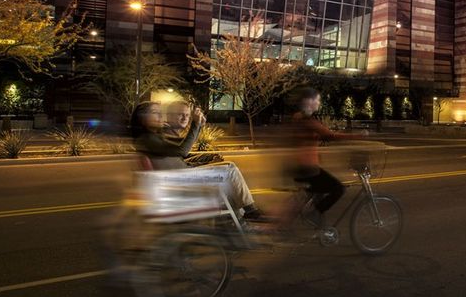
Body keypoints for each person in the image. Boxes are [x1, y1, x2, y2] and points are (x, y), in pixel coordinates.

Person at [130, 101, 266, 222]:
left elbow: (180, 151)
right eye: (155, 113)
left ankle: (231, 223)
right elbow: (182, 150)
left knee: (227, 185)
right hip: (180, 180)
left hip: (181, 177)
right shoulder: (147, 139)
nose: (160, 116)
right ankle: (250, 210)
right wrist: (195, 124)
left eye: (160, 112)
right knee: (229, 170)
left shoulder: (153, 138)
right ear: (142, 119)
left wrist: (199, 125)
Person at [288, 87, 365, 226]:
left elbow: (309, 141)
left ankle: (315, 223)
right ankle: (315, 214)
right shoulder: (309, 122)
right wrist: (359, 136)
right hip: (308, 169)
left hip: (300, 166)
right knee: (338, 189)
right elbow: (331, 136)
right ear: (309, 102)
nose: (319, 102)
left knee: (318, 191)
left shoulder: (298, 117)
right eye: (317, 99)